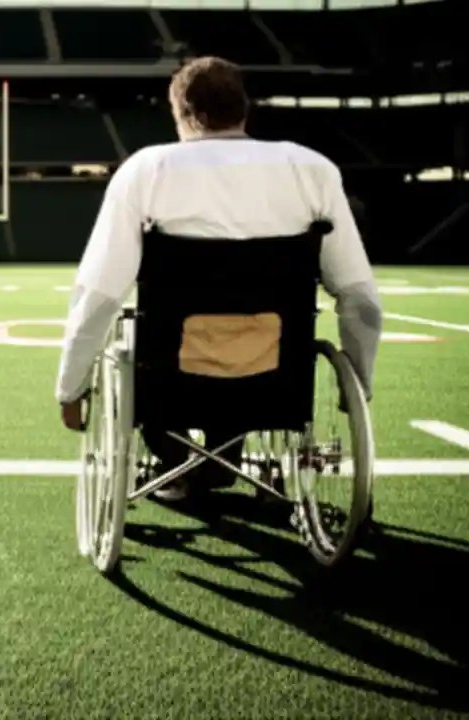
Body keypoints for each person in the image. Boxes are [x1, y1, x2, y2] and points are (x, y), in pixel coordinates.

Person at [54, 56, 382, 502]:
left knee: (144, 343)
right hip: (276, 378)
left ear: (182, 113)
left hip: (171, 377)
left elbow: (100, 293)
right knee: (251, 342)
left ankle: (177, 460)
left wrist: (71, 385)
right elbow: (360, 299)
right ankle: (223, 451)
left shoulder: (147, 171)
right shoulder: (313, 170)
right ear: (244, 109)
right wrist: (357, 382)